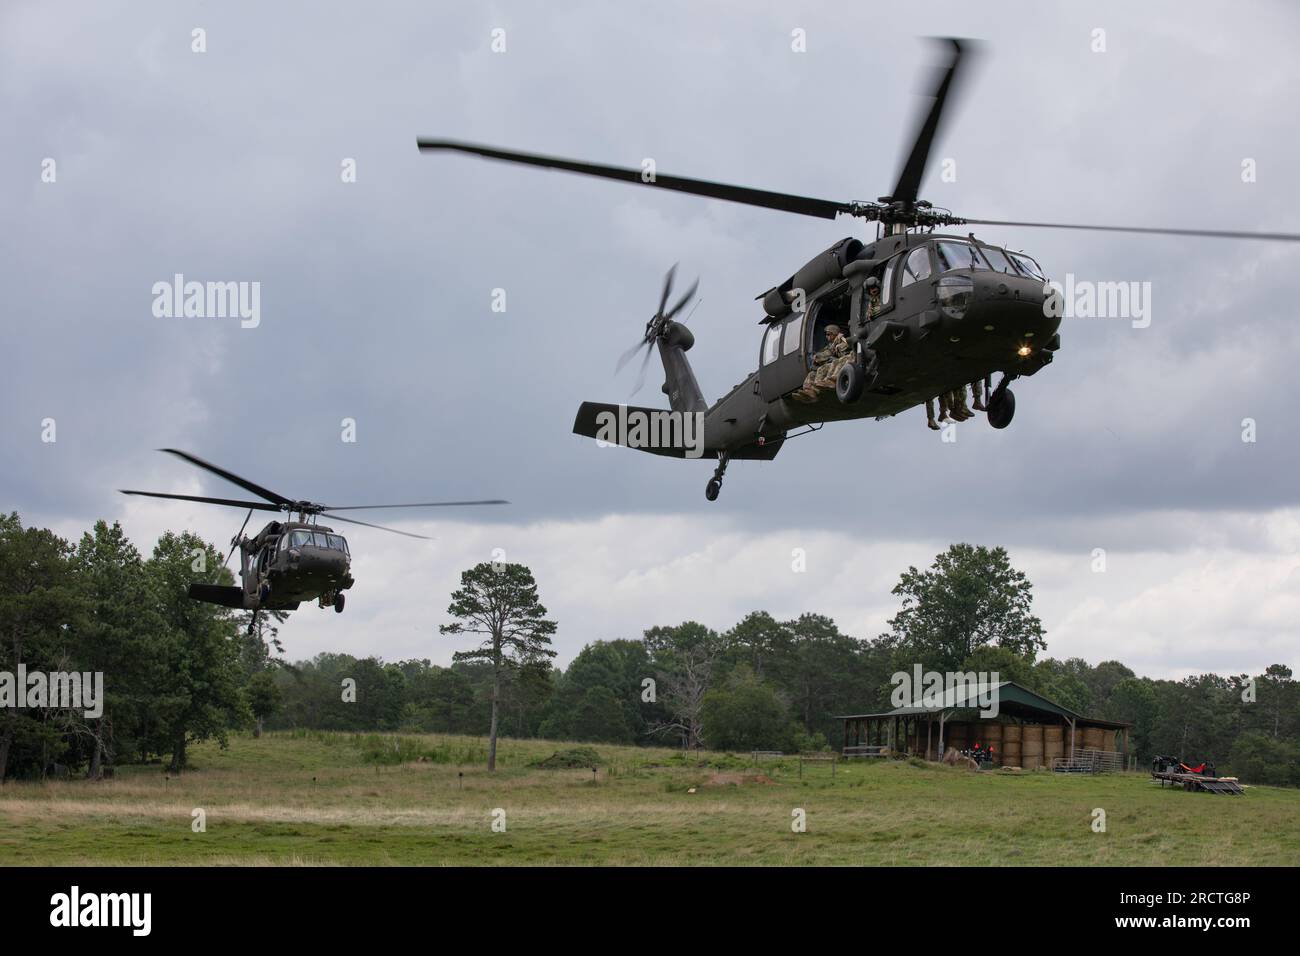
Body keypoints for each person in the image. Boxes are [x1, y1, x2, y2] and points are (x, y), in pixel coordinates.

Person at [792, 324, 851, 402]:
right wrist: (818, 358)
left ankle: (831, 381)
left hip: (845, 363)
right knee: (812, 373)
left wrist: (838, 344)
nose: (826, 336)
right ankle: (810, 391)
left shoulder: (843, 340)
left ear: (835, 333)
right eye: (826, 334)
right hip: (834, 363)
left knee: (827, 366)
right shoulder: (830, 346)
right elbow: (825, 354)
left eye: (829, 334)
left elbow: (846, 352)